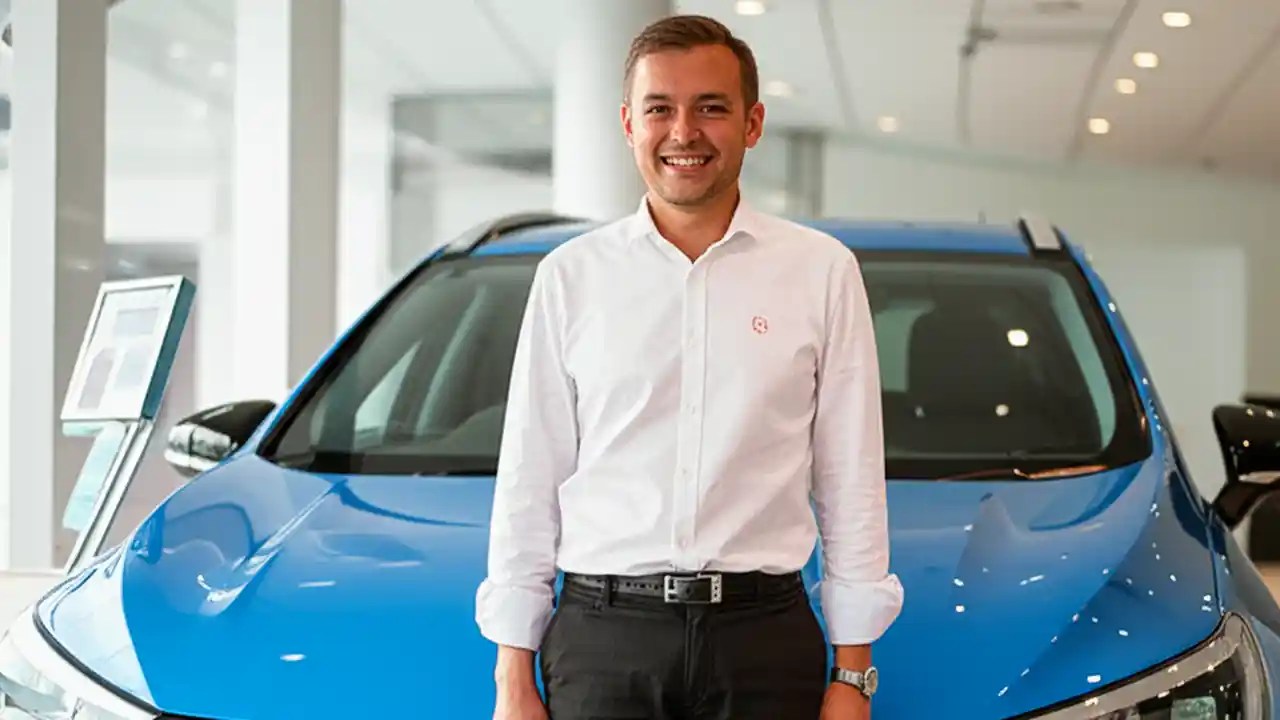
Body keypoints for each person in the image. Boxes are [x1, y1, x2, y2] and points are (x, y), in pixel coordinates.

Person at [476, 13, 903, 720]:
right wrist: (511, 675)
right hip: (603, 640)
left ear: (753, 122)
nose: (684, 132)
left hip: (764, 641)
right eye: (660, 109)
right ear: (628, 124)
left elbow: (850, 476)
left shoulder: (821, 272)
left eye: (711, 108)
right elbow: (530, 478)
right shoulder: (570, 277)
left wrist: (852, 675)